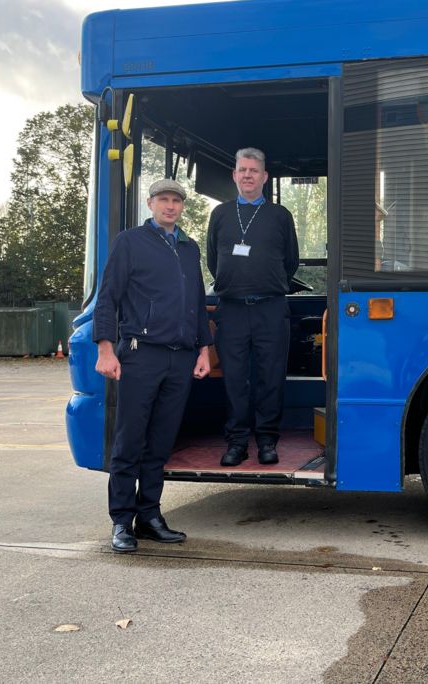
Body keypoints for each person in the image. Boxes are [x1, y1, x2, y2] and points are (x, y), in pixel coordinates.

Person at [92, 178, 212, 553]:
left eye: (176, 200)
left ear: (182, 206)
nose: (170, 206)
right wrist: (105, 348)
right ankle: (121, 521)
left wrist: (204, 350)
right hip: (140, 353)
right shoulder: (129, 242)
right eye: (163, 200)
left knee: (161, 441)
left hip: (181, 357)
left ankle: (149, 516)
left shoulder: (189, 248)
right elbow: (108, 297)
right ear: (150, 203)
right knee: (130, 439)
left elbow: (197, 302)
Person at [207, 147, 299, 467]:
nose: (248, 175)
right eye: (243, 170)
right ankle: (236, 443)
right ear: (234, 175)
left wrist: (265, 283)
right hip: (231, 308)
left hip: (270, 307)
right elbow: (213, 260)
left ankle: (267, 441)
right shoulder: (220, 214)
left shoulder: (280, 215)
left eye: (254, 170)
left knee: (270, 378)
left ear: (264, 176)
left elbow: (290, 262)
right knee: (234, 379)